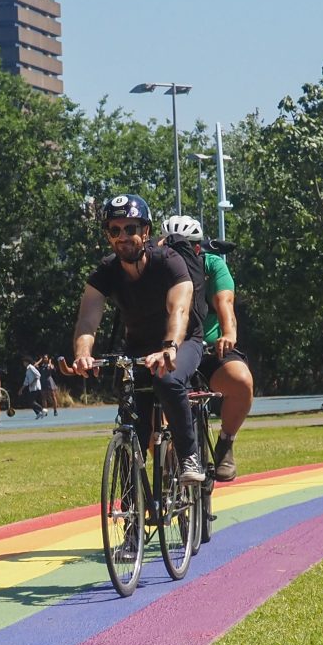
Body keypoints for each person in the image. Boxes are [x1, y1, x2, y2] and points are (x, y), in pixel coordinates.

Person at [71, 194, 205, 483]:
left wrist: (169, 347)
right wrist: (83, 354)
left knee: (167, 381)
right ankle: (131, 504)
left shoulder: (168, 261)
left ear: (145, 231)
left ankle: (188, 456)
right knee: (133, 422)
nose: (123, 236)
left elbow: (179, 310)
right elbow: (87, 320)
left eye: (130, 228)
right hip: (138, 348)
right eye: (115, 230)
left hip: (183, 342)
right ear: (108, 235)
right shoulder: (106, 271)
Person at [158, 215, 251, 481]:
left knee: (241, 380)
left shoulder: (213, 265)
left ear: (198, 248)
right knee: (155, 407)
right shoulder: (155, 269)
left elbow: (225, 304)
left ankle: (226, 443)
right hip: (170, 350)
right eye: (170, 247)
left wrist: (228, 334)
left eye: (184, 248)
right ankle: (169, 460)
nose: (176, 255)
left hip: (209, 348)